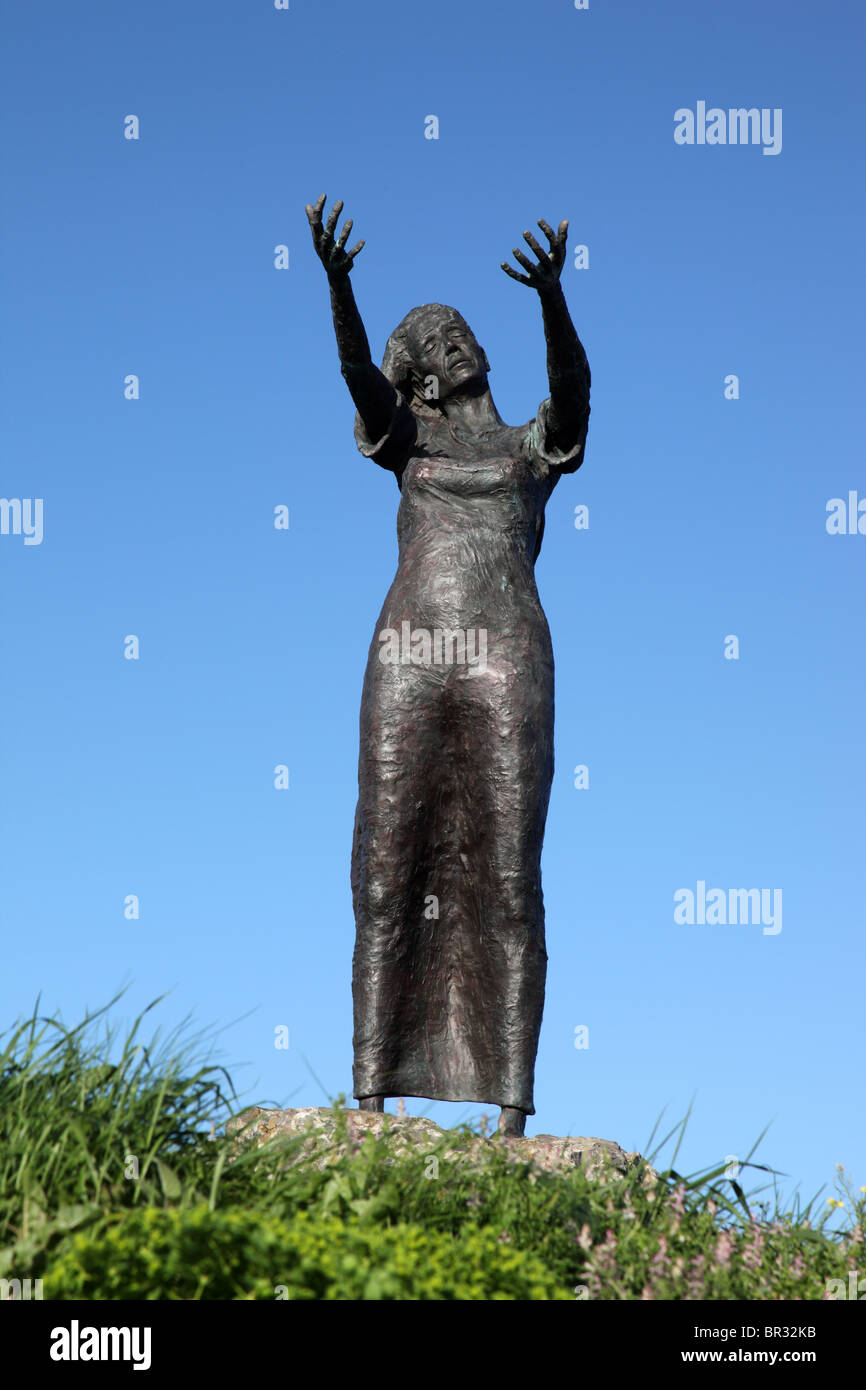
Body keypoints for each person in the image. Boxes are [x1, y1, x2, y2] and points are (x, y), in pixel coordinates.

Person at [305, 195, 591, 1137]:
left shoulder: (529, 448)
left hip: (506, 653)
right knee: (382, 869)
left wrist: (553, 297)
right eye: (436, 343)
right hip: (410, 653)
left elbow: (577, 394)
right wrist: (339, 281)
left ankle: (512, 1115)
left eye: (463, 331)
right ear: (419, 383)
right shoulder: (408, 442)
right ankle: (370, 1097)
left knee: (511, 874)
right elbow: (355, 371)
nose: (457, 344)